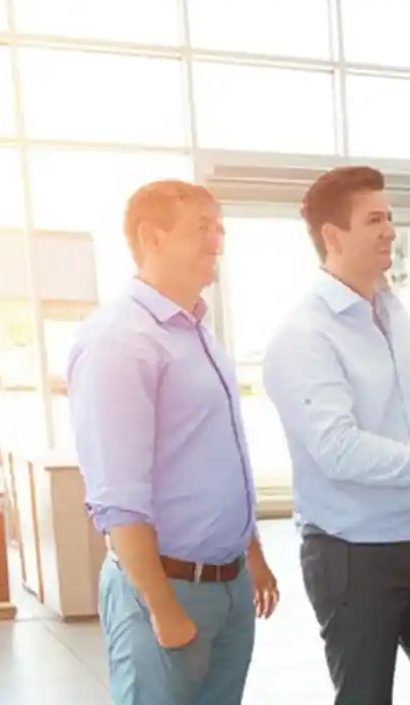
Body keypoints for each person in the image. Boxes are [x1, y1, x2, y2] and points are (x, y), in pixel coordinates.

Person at [262, 166, 410, 705]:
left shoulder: (391, 312)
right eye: (374, 220)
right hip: (351, 555)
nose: (390, 230)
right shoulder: (305, 334)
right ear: (333, 236)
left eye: (389, 217)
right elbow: (340, 451)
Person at [66, 180, 279, 705]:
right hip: (166, 590)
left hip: (227, 586)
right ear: (151, 237)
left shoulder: (197, 333)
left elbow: (220, 457)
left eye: (220, 229)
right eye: (202, 228)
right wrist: (161, 608)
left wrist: (251, 555)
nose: (217, 242)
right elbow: (118, 494)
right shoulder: (120, 339)